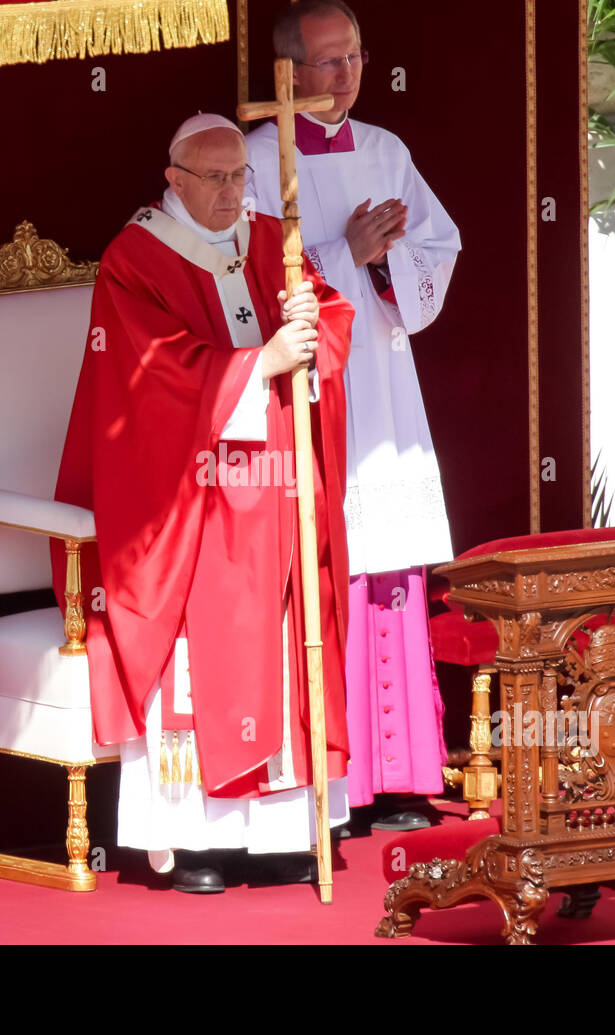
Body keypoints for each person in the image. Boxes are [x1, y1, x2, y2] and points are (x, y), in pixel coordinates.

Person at [54, 114, 354, 893]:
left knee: (288, 636)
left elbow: (329, 310)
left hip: (277, 488)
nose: (231, 194)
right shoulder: (135, 257)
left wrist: (314, 333)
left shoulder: (267, 239)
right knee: (205, 644)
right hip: (188, 498)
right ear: (174, 180)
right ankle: (196, 839)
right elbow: (148, 376)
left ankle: (287, 828)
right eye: (215, 179)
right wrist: (260, 366)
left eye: (239, 178)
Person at [246, 0, 461, 832]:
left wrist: (386, 263)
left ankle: (403, 774)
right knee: (329, 561)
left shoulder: (387, 150)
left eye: (357, 58)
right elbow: (254, 276)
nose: (347, 76)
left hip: (384, 371)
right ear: (289, 72)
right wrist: (346, 253)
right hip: (311, 387)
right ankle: (339, 782)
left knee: (391, 565)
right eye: (331, 63)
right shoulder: (260, 160)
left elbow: (439, 246)